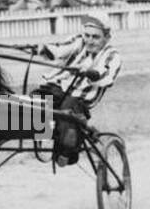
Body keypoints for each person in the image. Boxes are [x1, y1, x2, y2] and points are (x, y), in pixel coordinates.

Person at [32, 11, 123, 165]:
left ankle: (67, 151)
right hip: (58, 88)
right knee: (33, 99)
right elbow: (58, 50)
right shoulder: (78, 42)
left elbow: (105, 75)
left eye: (95, 37)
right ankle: (40, 134)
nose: (89, 40)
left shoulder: (112, 55)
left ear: (106, 38)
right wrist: (40, 49)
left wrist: (89, 72)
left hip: (80, 98)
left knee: (66, 112)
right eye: (87, 35)